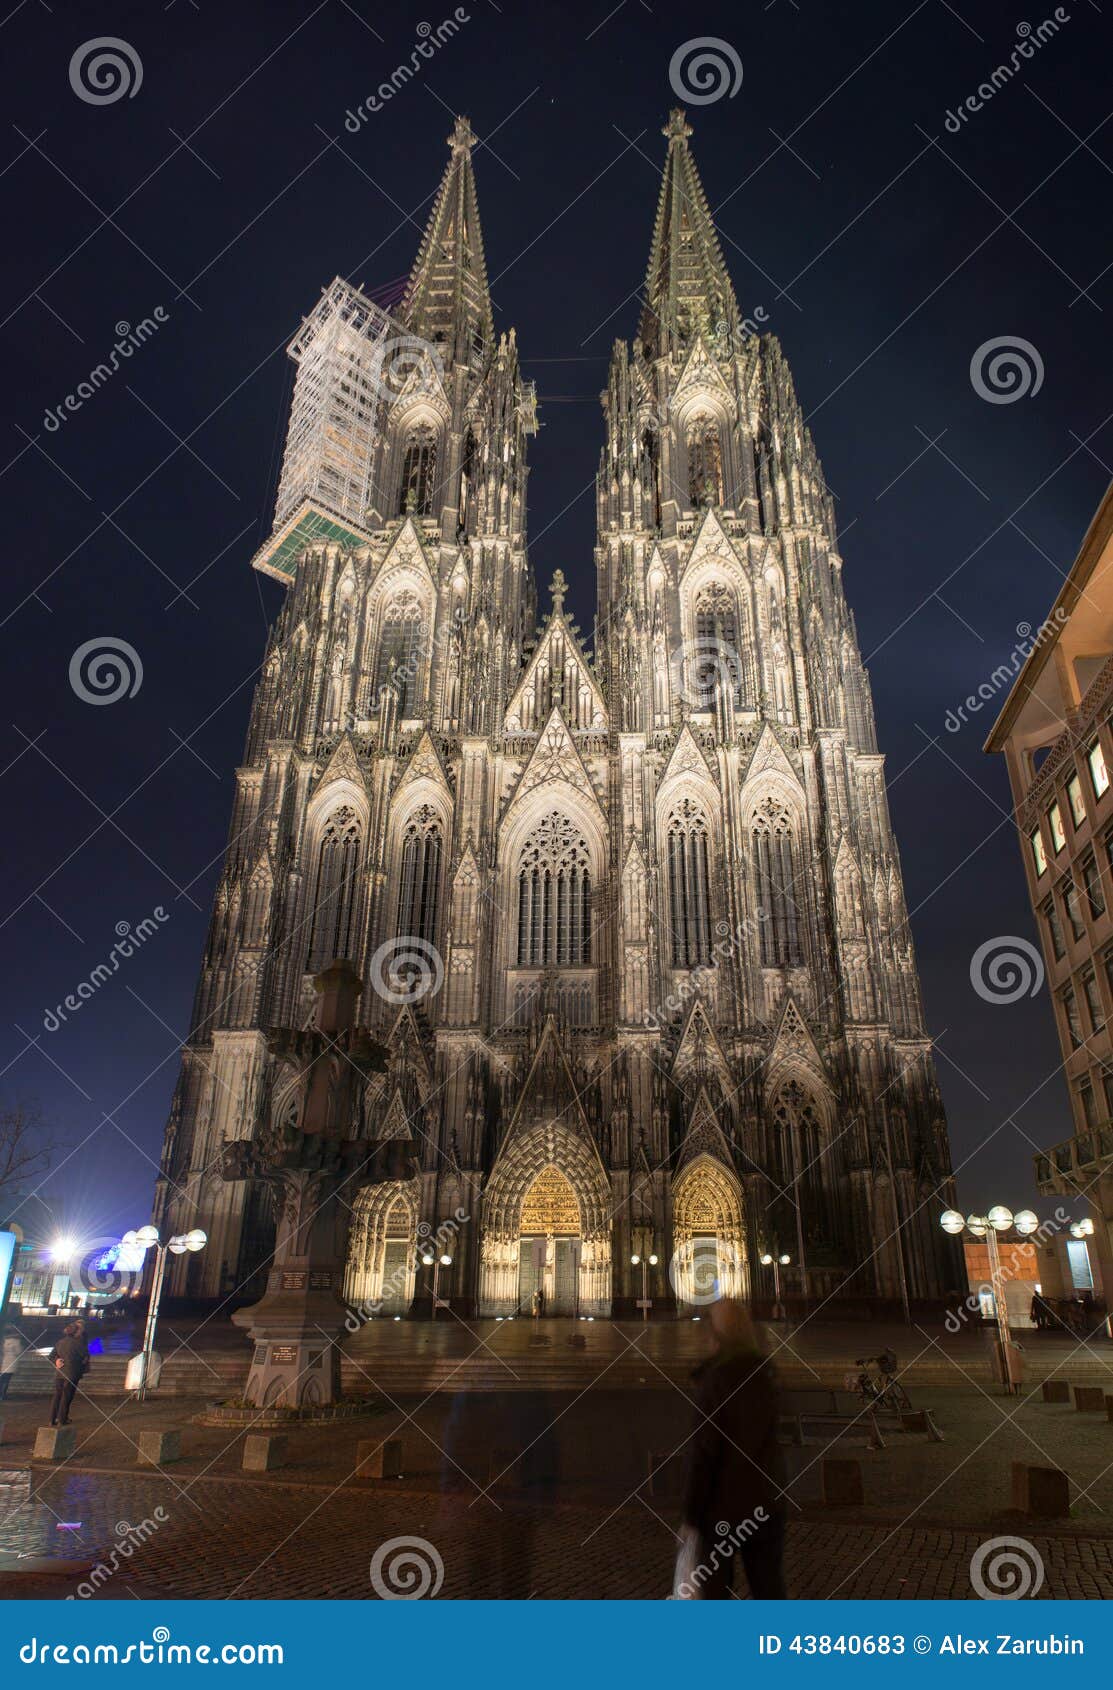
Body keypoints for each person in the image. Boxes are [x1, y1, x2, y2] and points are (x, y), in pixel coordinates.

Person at [680, 1299, 786, 1599]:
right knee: (769, 1589)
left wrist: (690, 1515)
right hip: (767, 1502)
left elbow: (703, 1454)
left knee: (714, 1591)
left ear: (716, 1334)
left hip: (723, 1508)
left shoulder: (716, 1379)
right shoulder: (767, 1374)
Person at [49, 1321, 90, 1426]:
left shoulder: (60, 1342)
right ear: (76, 1332)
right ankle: (62, 1419)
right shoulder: (78, 1343)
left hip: (60, 1373)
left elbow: (52, 1355)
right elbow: (85, 1356)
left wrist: (56, 1360)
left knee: (57, 1395)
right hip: (72, 1373)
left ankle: (52, 1419)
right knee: (67, 1397)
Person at [0, 1324, 24, 1400]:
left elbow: (2, 1351)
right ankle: (3, 1395)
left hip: (5, 1361)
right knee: (6, 1380)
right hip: (12, 1362)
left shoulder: (5, 1341)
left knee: (3, 1379)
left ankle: (1, 1395)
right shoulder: (16, 1342)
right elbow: (18, 1352)